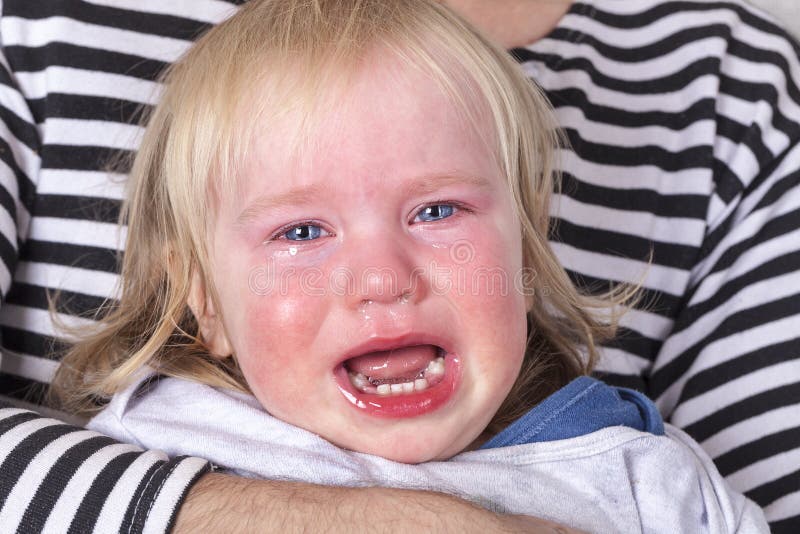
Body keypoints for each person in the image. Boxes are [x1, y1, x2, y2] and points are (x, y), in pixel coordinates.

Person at [0, 0, 797, 531]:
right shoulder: (157, 438)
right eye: (302, 231)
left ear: (527, 251)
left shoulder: (643, 480)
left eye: (438, 211)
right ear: (204, 301)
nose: (383, 277)